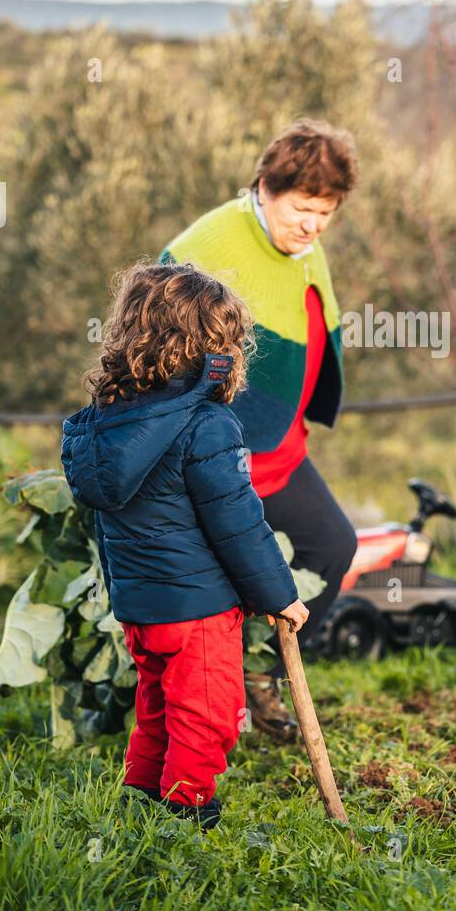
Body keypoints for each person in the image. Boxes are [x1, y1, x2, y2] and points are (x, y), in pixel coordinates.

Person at [61, 261, 310, 830]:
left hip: (141, 610)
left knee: (157, 707)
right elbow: (238, 525)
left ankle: (141, 795)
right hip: (196, 610)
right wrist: (280, 595)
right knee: (208, 713)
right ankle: (186, 806)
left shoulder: (107, 423)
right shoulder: (206, 427)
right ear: (211, 350)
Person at [160, 118, 359, 743]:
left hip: (282, 453)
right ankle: (199, 714)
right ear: (266, 188)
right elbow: (155, 340)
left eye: (325, 214)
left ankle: (264, 676)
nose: (313, 226)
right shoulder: (213, 241)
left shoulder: (304, 249)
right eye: (303, 208)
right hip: (220, 463)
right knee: (216, 585)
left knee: (335, 547)